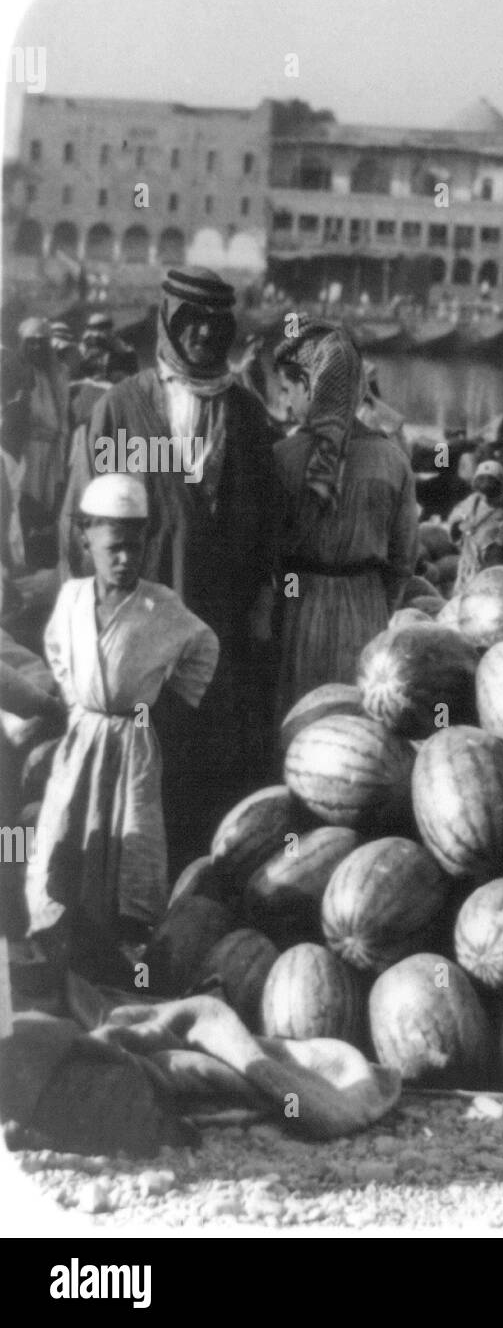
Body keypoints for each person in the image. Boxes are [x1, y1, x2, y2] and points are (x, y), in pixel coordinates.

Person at [60, 266, 278, 868]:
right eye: (193, 321)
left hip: (220, 627)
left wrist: (261, 605)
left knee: (209, 769)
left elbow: (269, 530)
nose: (206, 334)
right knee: (138, 764)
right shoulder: (122, 409)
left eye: (217, 323)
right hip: (142, 621)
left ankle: (194, 887)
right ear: (169, 322)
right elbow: (84, 526)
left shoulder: (248, 415)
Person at [24, 474, 218, 984]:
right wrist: (75, 699)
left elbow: (205, 646)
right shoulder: (70, 598)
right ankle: (61, 940)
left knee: (130, 841)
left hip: (132, 742)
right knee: (68, 831)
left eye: (134, 548)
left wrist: (170, 704)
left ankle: (122, 952)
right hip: (83, 736)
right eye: (114, 548)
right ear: (86, 539)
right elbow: (58, 649)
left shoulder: (160, 607)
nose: (125, 560)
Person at [272, 320, 419, 716]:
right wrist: (375, 603)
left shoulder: (283, 459)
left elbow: (266, 554)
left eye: (289, 389)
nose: (285, 402)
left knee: (303, 725)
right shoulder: (393, 460)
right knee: (359, 729)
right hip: (367, 607)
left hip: (300, 606)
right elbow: (404, 559)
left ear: (311, 388)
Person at [10, 318, 70, 569]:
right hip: (28, 450)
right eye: (31, 343)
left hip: (53, 450)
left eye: (40, 343)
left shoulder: (55, 373)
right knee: (26, 504)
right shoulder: (17, 374)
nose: (36, 348)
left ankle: (46, 558)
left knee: (50, 506)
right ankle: (27, 558)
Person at [447, 459, 503, 590]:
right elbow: (454, 527)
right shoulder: (469, 504)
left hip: (498, 568)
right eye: (482, 492)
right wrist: (462, 526)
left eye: (491, 493)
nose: (486, 498)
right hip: (469, 569)